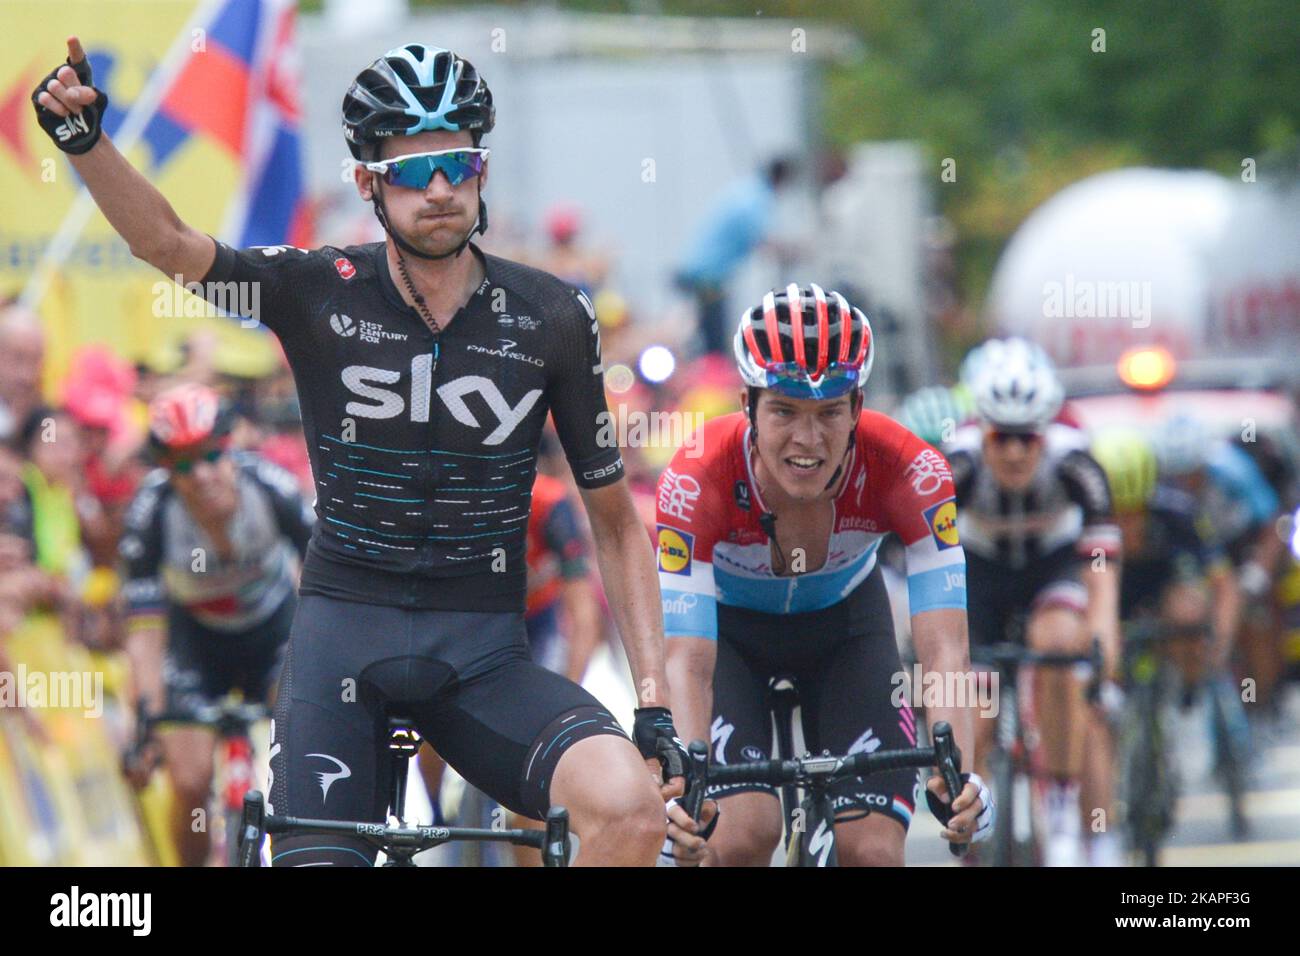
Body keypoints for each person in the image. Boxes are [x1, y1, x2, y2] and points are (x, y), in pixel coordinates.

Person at [35, 37, 676, 865]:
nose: (440, 190)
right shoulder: (313, 290)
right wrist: (88, 145)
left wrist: (653, 701)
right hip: (343, 640)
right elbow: (166, 243)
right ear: (370, 182)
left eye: (459, 164)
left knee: (629, 812)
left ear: (482, 170)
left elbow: (618, 525)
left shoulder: (553, 315)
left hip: (485, 652)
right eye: (412, 171)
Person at [659, 284, 991, 866]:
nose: (808, 440)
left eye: (830, 412)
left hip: (847, 632)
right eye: (784, 410)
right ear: (748, 406)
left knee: (873, 854)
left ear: (858, 408)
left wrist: (958, 770)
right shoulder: (695, 478)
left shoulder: (914, 470)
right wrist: (686, 790)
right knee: (738, 838)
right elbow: (686, 659)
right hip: (729, 641)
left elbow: (944, 650)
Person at [118, 383, 312, 866]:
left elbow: (323, 590)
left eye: (210, 456)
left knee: (301, 750)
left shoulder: (272, 487)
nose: (200, 474)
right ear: (166, 469)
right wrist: (145, 717)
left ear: (231, 447)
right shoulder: (150, 513)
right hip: (196, 645)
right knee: (188, 782)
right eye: (182, 464)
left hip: (273, 634)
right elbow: (144, 630)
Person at [945, 338, 1122, 866]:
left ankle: (1065, 811)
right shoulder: (957, 467)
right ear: (982, 430)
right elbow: (925, 568)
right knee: (973, 708)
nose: (1016, 452)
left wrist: (1103, 639)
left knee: (1061, 645)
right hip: (981, 577)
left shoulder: (1077, 465)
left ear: (1046, 431)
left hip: (1051, 568)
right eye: (1002, 437)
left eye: (1029, 438)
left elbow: (1102, 568)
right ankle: (971, 834)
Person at [675, 158, 796, 356]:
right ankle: (711, 374)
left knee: (705, 330)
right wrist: (796, 251)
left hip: (698, 270)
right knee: (714, 337)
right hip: (708, 276)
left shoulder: (745, 190)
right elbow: (764, 242)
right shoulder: (755, 200)